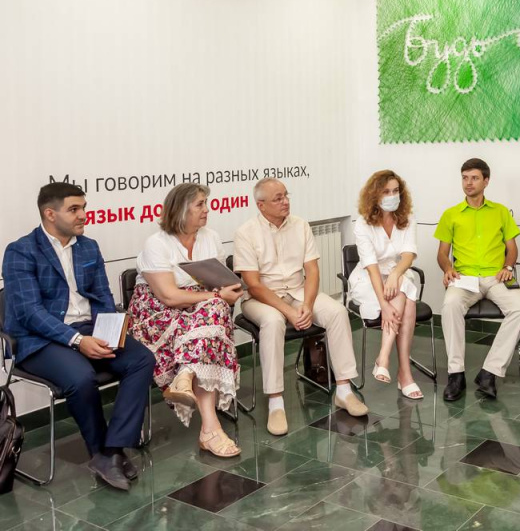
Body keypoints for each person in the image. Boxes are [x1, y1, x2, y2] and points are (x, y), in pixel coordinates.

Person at [2, 183, 155, 490]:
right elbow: (30, 313)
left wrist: (109, 332)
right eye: (74, 209)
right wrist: (77, 341)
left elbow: (102, 297)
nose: (83, 215)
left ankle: (112, 451)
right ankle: (98, 450)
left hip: (88, 330)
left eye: (84, 207)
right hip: (39, 340)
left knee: (142, 359)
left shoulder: (88, 247)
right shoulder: (20, 251)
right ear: (50, 214)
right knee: (81, 377)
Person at [234, 178, 368, 434]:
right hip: (260, 299)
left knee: (337, 312)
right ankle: (275, 402)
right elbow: (253, 285)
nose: (285, 202)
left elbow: (312, 271)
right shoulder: (246, 233)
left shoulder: (301, 225)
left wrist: (307, 304)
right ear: (261, 205)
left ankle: (343, 390)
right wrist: (289, 312)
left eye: (286, 195)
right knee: (273, 321)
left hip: (298, 291)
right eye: (278, 198)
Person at [129, 183, 243, 458]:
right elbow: (168, 296)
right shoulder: (156, 243)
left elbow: (217, 282)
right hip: (157, 316)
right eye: (200, 204)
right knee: (214, 315)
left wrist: (227, 291)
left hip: (199, 311)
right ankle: (209, 429)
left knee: (213, 315)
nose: (207, 209)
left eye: (206, 203)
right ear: (180, 209)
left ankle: (188, 380)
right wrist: (217, 295)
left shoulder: (210, 237)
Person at [435, 158, 520, 402]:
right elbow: (442, 253)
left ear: (486, 181)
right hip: (464, 278)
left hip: (496, 276)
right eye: (465, 178)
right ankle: (456, 374)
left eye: (475, 178)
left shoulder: (500, 212)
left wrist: (508, 266)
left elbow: (512, 248)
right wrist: (448, 269)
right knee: (450, 305)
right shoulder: (451, 214)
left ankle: (490, 372)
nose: (469, 183)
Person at [347, 170, 423, 400]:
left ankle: (384, 358)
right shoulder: (363, 224)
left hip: (396, 274)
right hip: (367, 279)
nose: (392, 196)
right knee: (405, 299)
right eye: (386, 192)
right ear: (375, 195)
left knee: (402, 289)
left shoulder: (407, 219)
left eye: (396, 191)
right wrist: (384, 304)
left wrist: (395, 274)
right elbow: (371, 267)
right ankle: (403, 374)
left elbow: (408, 255)